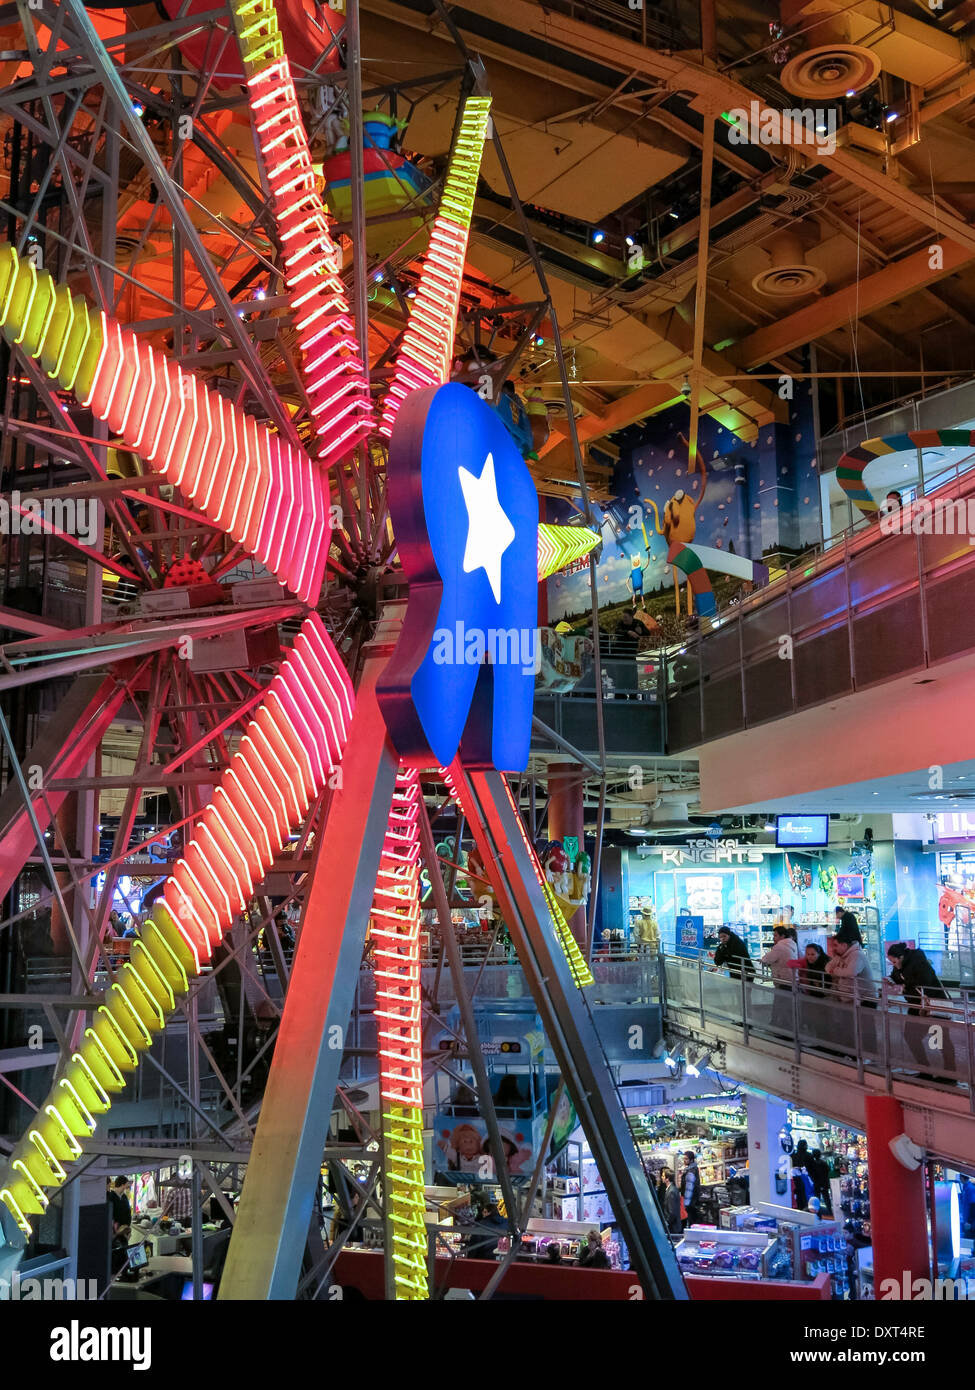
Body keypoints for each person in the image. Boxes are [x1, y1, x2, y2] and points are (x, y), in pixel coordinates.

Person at [886, 942, 957, 1081]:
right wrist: (891, 980)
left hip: (933, 1005)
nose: (893, 965)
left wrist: (904, 984)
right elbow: (895, 976)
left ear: (901, 957)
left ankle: (950, 1074)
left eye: (894, 961)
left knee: (940, 1039)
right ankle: (925, 1069)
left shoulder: (918, 961)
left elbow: (925, 980)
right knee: (911, 1036)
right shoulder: (899, 967)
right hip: (916, 1005)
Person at [761, 924, 799, 1032]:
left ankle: (781, 1028)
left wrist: (763, 960)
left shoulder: (780, 946)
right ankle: (776, 1025)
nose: (774, 938)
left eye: (776, 935)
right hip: (791, 978)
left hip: (783, 979)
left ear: (782, 936)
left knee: (781, 1004)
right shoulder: (792, 944)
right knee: (783, 1004)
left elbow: (766, 959)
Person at [679, 1151, 702, 1226]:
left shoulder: (690, 1172)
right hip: (693, 1200)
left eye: (686, 1159)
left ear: (691, 1160)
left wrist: (685, 1203)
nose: (684, 1160)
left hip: (690, 1202)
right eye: (684, 1159)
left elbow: (689, 1189)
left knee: (690, 1220)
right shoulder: (693, 1169)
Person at [661, 1168, 682, 1235]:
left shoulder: (671, 1191)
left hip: (672, 1227)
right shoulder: (671, 1189)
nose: (662, 1177)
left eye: (663, 1176)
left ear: (667, 1179)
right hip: (673, 1225)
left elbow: (671, 1211)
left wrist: (666, 1223)